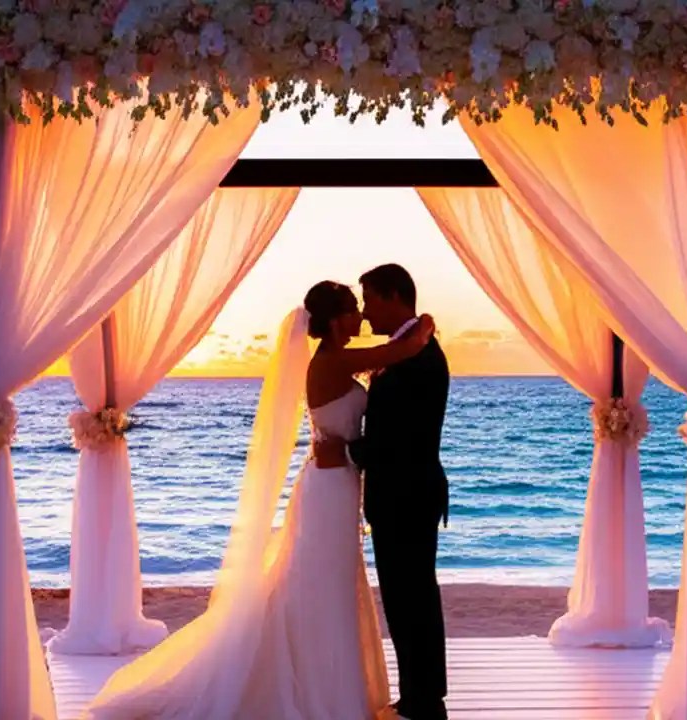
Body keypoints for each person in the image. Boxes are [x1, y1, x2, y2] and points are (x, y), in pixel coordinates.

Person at [84, 280, 435, 720]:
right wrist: (423, 325)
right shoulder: (332, 361)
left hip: (338, 481)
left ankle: (332, 684)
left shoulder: (339, 361)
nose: (360, 317)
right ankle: (322, 692)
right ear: (331, 320)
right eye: (351, 310)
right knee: (321, 583)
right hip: (328, 488)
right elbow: (399, 353)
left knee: (333, 582)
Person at [315, 264, 451, 720]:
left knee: (412, 597)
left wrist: (349, 451)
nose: (367, 312)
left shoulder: (418, 355)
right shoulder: (407, 348)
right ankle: (417, 694)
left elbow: (400, 436)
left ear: (394, 296)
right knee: (407, 596)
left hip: (407, 495)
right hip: (402, 495)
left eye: (370, 299)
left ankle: (423, 699)